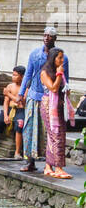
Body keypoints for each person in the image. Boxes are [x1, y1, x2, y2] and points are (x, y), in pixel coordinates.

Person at [20, 25, 70, 172]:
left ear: (55, 38)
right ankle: (30, 161)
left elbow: (65, 79)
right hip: (34, 95)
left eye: (50, 35)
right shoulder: (35, 54)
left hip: (52, 98)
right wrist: (20, 94)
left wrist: (65, 96)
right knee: (29, 129)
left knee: (49, 132)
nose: (46, 38)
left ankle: (50, 163)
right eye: (45, 35)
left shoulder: (62, 57)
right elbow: (28, 74)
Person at [40, 46, 71, 179]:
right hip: (49, 105)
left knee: (57, 135)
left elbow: (63, 88)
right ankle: (58, 167)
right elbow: (53, 88)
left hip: (58, 104)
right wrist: (59, 74)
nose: (62, 60)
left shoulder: (59, 71)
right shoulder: (44, 72)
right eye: (59, 57)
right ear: (53, 59)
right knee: (55, 135)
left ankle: (48, 166)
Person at [0, 65, 26, 160]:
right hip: (9, 109)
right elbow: (6, 102)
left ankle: (17, 152)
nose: (13, 77)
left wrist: (8, 94)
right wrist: (5, 115)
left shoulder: (25, 88)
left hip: (20, 110)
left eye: (15, 75)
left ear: (22, 76)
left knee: (19, 126)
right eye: (13, 75)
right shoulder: (10, 86)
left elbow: (21, 101)